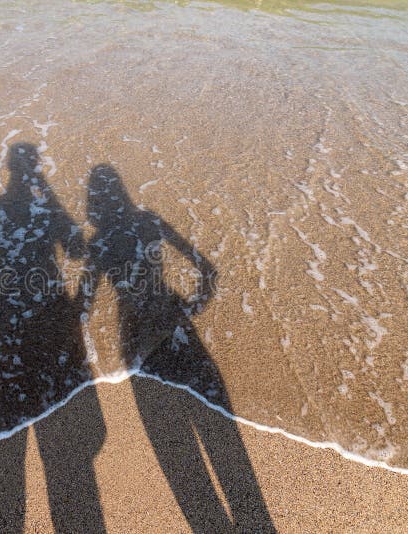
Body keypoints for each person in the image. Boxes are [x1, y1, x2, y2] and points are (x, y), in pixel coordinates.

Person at [83, 163, 274, 530]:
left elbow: (85, 302)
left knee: (175, 446)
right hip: (177, 323)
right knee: (220, 431)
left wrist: (72, 340)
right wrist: (195, 304)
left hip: (136, 338)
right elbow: (207, 269)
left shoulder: (97, 243)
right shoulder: (149, 220)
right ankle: (257, 524)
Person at [0, 143, 105, 533]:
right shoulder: (44, 211)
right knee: (66, 466)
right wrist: (47, 197)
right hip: (47, 321)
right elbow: (75, 247)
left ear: (7, 169)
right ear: (34, 170)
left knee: (4, 470)